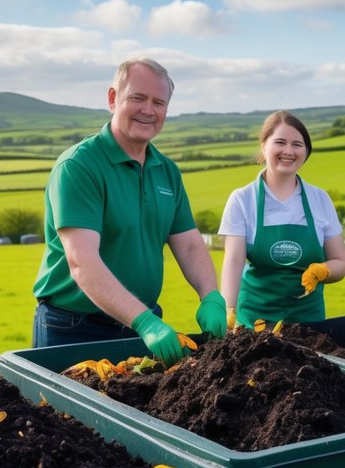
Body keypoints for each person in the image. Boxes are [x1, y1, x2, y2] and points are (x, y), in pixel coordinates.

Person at [32, 57, 227, 364]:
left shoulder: (166, 171)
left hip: (141, 324)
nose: (148, 110)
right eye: (138, 98)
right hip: (76, 329)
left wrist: (211, 295)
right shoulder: (79, 166)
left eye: (158, 102)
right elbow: (82, 262)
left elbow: (189, 244)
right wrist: (145, 322)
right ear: (113, 98)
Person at [219, 110, 345, 328]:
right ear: (264, 145)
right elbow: (234, 261)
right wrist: (228, 311)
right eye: (280, 142)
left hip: (309, 326)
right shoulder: (242, 199)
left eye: (297, 144)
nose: (289, 151)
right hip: (254, 325)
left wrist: (322, 271)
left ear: (306, 151)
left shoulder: (320, 199)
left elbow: (340, 262)